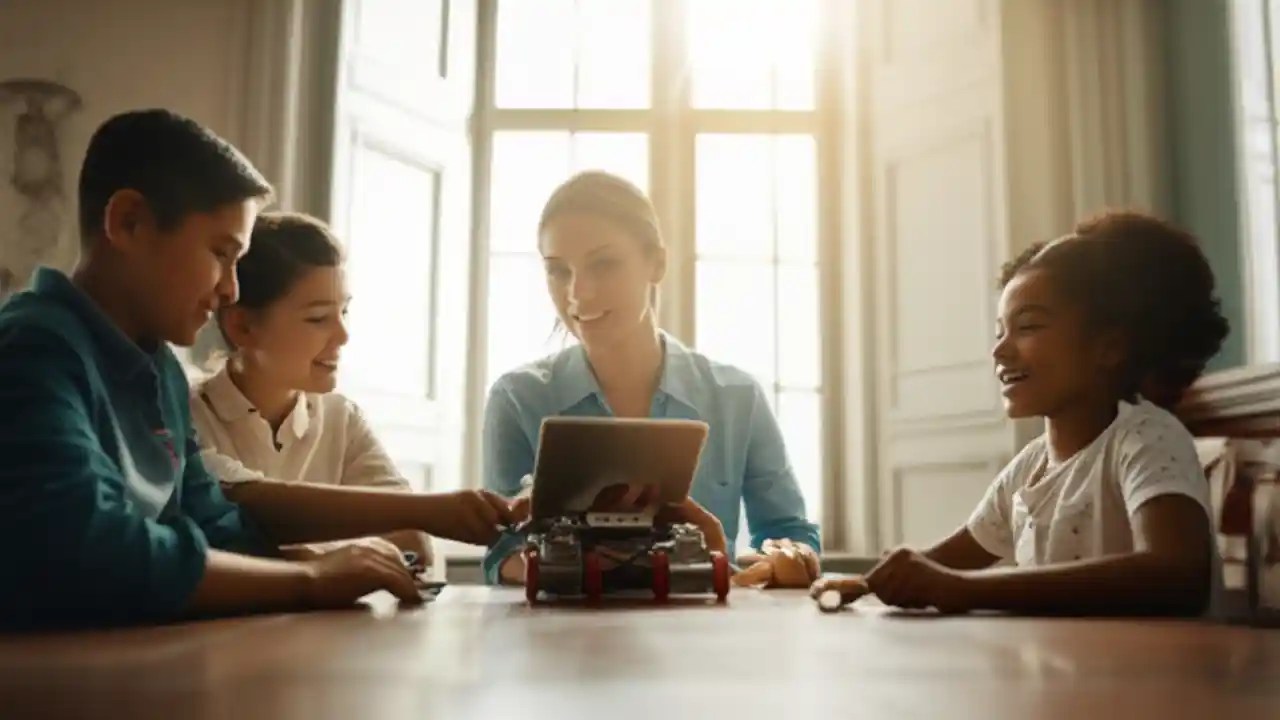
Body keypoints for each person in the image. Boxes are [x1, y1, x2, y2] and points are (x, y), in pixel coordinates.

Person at [0, 109, 512, 629]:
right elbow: (95, 548)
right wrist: (309, 581)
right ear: (128, 222)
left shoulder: (158, 368)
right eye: (222, 254)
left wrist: (331, 566)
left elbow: (217, 525)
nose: (230, 290)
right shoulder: (32, 350)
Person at [813, 212, 1228, 615]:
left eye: (1028, 326)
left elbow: (1177, 575)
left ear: (1109, 348)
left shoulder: (1146, 438)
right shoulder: (1030, 467)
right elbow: (943, 564)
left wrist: (961, 590)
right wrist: (864, 584)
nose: (1000, 350)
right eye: (1000, 332)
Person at [482, 171, 821, 587]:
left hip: (705, 635)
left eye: (603, 264)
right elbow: (499, 553)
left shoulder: (738, 397)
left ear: (656, 263)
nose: (578, 293)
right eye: (558, 271)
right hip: (565, 640)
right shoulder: (517, 398)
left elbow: (788, 531)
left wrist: (783, 561)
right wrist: (573, 565)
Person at [190, 211, 429, 565]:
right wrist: (338, 557)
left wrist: (305, 557)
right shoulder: (185, 417)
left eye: (344, 313)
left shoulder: (342, 420)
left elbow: (414, 541)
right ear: (242, 326)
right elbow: (215, 547)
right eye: (318, 318)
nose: (343, 336)